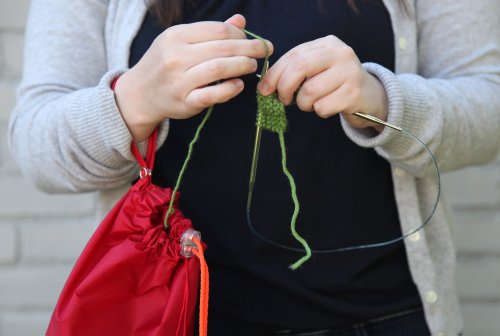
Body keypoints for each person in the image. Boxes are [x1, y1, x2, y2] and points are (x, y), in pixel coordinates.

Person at [8, 0, 500, 335]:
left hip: (384, 315)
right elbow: (36, 145)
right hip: (178, 320)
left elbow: (489, 105)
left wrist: (380, 100)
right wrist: (135, 98)